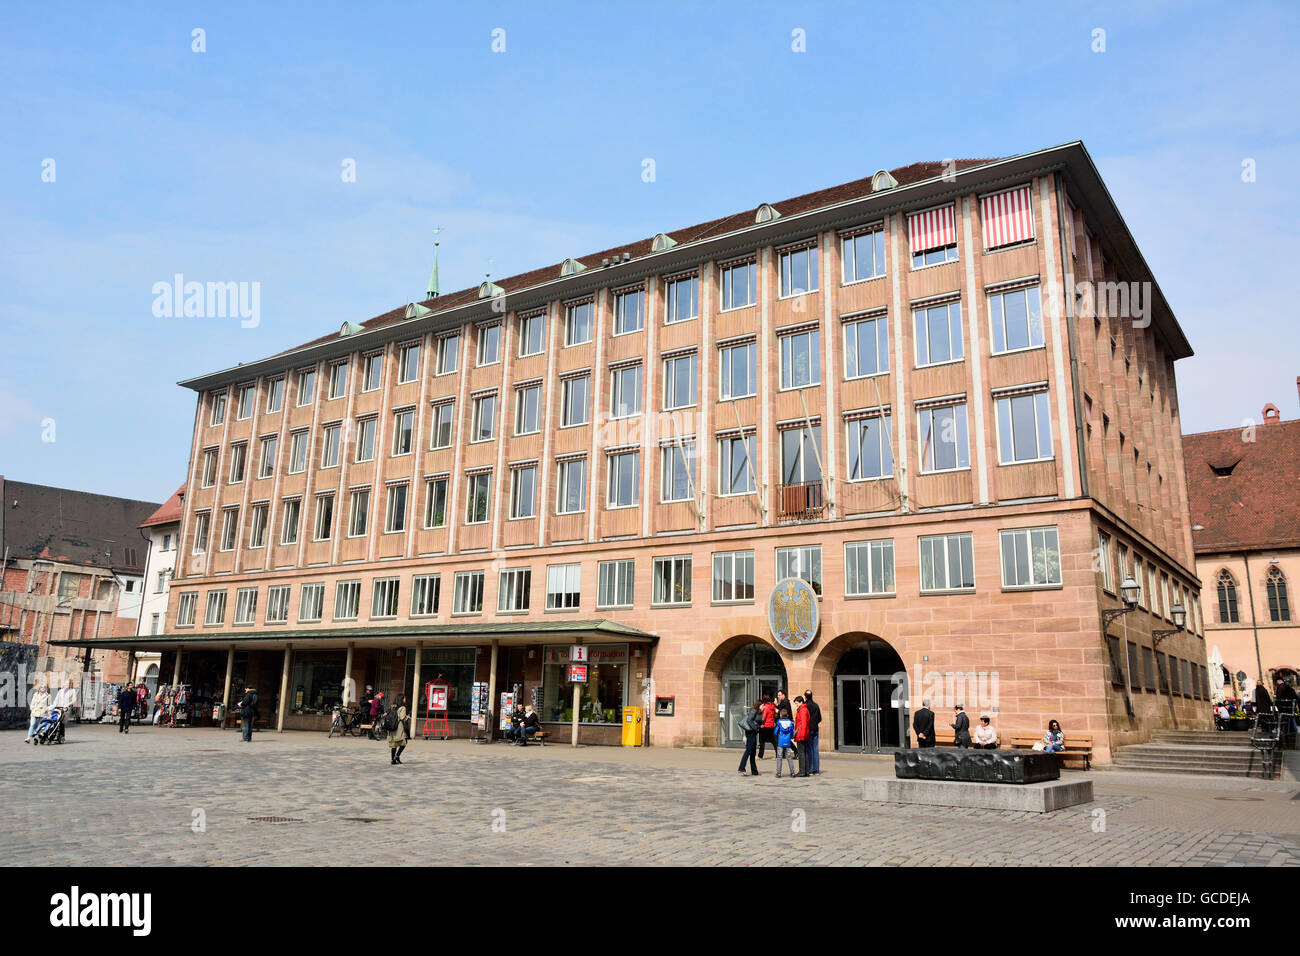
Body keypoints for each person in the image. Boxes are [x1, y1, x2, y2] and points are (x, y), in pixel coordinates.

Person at [737, 701, 761, 776]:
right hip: (750, 733)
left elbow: (754, 721)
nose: (763, 706)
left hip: (752, 733)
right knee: (748, 751)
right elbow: (749, 720)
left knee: (753, 753)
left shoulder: (756, 712)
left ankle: (754, 771)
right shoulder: (754, 711)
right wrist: (756, 728)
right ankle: (741, 768)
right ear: (759, 705)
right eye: (762, 705)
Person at [774, 707, 797, 779]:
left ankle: (778, 773)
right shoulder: (791, 723)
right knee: (789, 757)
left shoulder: (779, 722)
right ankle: (792, 772)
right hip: (787, 742)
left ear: (781, 715)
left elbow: (775, 732)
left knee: (779, 757)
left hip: (780, 742)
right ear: (787, 715)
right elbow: (792, 733)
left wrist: (777, 735)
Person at [803, 689, 822, 775]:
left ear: (805, 696)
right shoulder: (816, 705)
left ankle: (810, 769)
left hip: (809, 729)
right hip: (815, 729)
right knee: (815, 749)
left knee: (809, 749)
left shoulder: (805, 705)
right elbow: (819, 718)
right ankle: (816, 770)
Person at [388, 695, 409, 764]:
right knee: (404, 742)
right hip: (399, 727)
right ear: (402, 699)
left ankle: (393, 759)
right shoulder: (403, 708)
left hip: (392, 727)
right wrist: (407, 717)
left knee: (394, 744)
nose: (405, 699)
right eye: (404, 698)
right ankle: (397, 756)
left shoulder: (392, 706)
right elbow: (403, 718)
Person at [793, 696, 811, 777]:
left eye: (797, 703)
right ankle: (806, 771)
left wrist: (802, 735)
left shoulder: (802, 710)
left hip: (801, 734)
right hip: (803, 733)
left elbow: (804, 724)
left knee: (801, 753)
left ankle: (802, 771)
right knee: (805, 752)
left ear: (801, 702)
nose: (796, 705)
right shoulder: (803, 709)